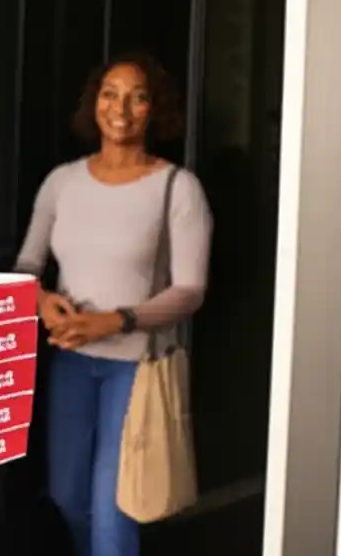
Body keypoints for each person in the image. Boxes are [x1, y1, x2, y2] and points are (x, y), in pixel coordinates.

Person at [13, 52, 213, 556]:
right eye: (109, 93)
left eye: (137, 96)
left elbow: (190, 290)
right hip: (72, 363)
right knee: (66, 496)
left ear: (155, 110)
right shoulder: (62, 182)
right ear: (94, 104)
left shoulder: (177, 188)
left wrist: (118, 319)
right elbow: (25, 268)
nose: (120, 107)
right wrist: (40, 301)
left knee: (113, 511)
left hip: (137, 370)